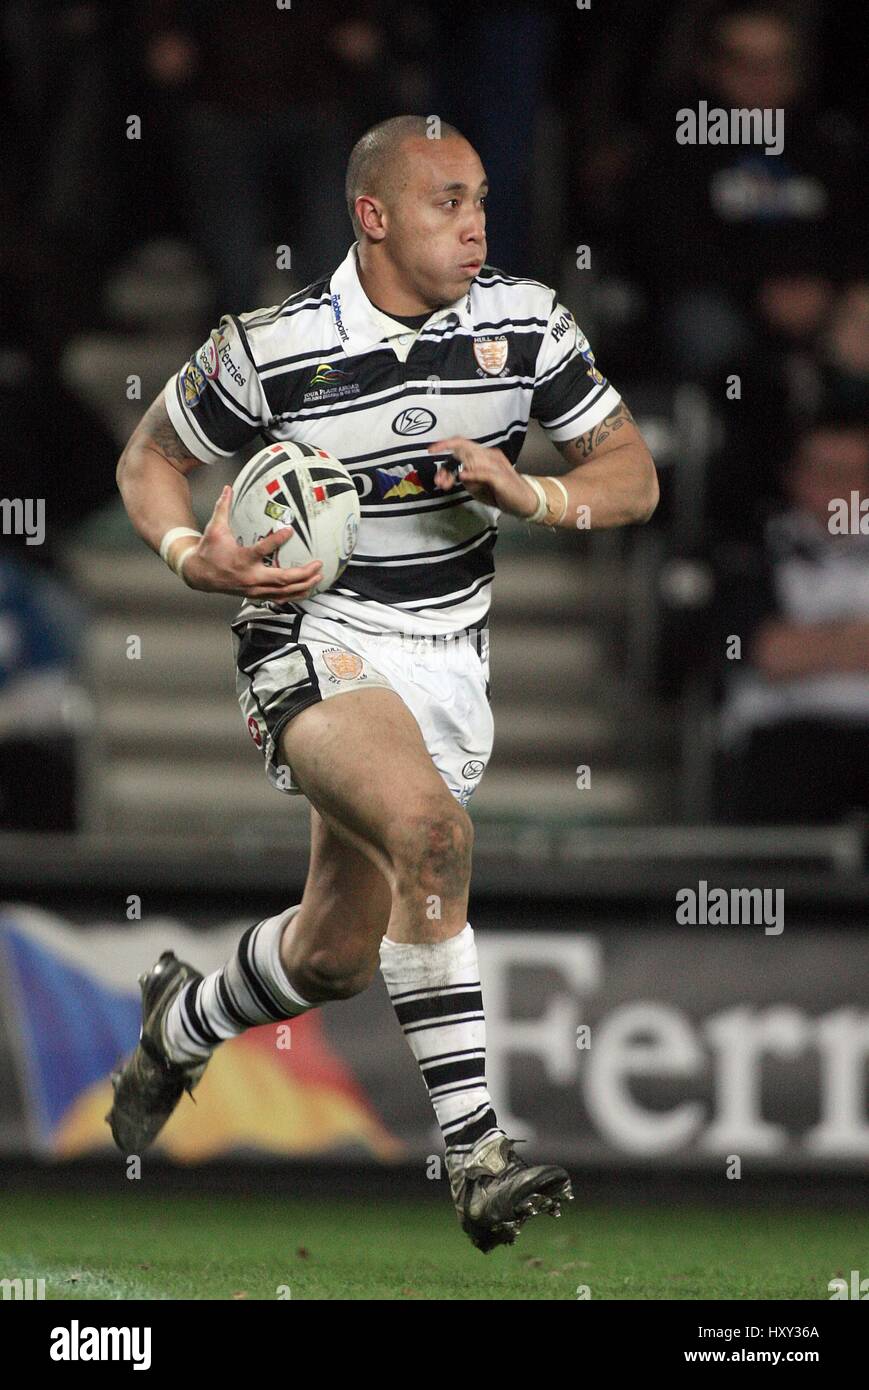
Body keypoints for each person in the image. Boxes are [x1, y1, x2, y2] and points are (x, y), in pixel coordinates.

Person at [108, 115, 658, 1252]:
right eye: (446, 203)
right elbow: (150, 457)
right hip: (312, 633)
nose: (475, 226)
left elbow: (632, 475)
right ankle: (474, 1153)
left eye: (482, 202)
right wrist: (189, 555)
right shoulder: (273, 345)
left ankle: (183, 1020)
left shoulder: (524, 321)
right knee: (431, 832)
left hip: (449, 650)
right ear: (371, 215)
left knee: (332, 957)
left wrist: (537, 494)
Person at [712, 421, 869, 822]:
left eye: (855, 476)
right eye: (827, 474)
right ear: (794, 478)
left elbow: (788, 650)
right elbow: (767, 653)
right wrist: (849, 643)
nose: (842, 489)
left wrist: (813, 646)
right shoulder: (749, 549)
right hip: (787, 744)